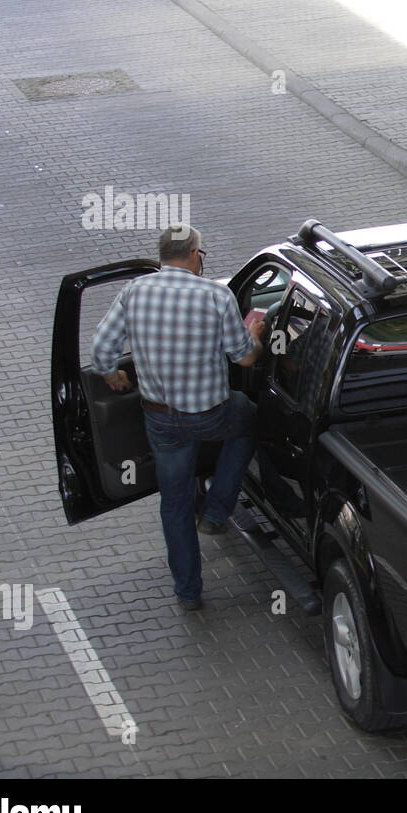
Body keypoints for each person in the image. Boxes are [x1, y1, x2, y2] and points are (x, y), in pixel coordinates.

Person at [90, 225, 266, 609]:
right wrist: (254, 331)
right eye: (202, 255)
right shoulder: (215, 295)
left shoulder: (134, 292)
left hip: (161, 420)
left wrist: (111, 373)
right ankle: (218, 510)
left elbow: (101, 348)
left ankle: (188, 593)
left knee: (174, 502)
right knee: (250, 418)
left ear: (161, 256)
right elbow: (245, 357)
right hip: (212, 415)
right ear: (193, 255)